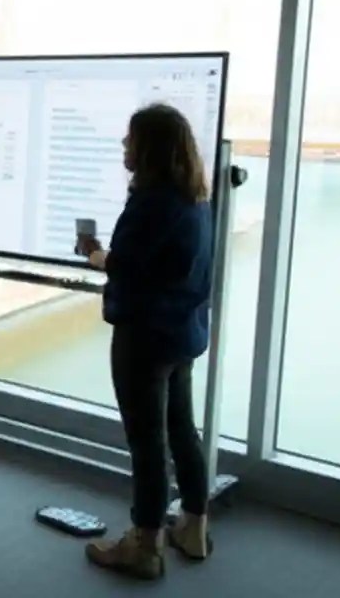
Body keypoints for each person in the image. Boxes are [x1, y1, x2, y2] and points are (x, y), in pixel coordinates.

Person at [77, 103, 214, 579]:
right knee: (182, 431)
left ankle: (144, 545)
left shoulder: (151, 202)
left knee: (147, 443)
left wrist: (94, 254)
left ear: (148, 148)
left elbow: (127, 265)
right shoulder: (196, 199)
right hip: (183, 334)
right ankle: (193, 527)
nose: (123, 146)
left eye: (129, 139)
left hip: (145, 336)